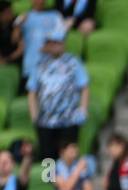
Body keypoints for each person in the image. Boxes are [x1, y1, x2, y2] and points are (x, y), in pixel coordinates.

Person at [27, 27, 87, 161]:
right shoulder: (40, 65)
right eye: (50, 43)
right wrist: (34, 115)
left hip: (69, 119)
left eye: (57, 42)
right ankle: (48, 181)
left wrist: (82, 110)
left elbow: (84, 86)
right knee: (48, 157)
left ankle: (69, 180)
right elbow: (32, 92)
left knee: (69, 155)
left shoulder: (73, 62)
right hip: (46, 121)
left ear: (63, 44)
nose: (54, 45)